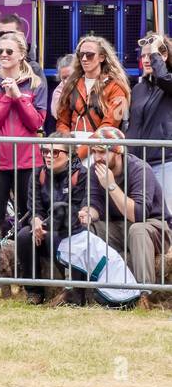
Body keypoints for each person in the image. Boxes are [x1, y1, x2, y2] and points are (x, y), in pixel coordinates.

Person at [78, 127, 170, 308]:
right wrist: (87, 214)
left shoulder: (140, 170)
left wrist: (111, 186)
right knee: (85, 228)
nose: (97, 157)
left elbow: (138, 215)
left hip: (153, 227)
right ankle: (82, 291)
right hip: (117, 227)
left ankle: (146, 295)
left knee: (137, 229)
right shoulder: (94, 171)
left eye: (102, 152)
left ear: (117, 151)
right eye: (94, 152)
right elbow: (94, 203)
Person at [0, 31, 47, 234]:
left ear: (21, 54)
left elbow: (36, 123)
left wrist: (18, 96)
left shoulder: (36, 84)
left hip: (28, 161)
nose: (3, 54)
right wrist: (8, 98)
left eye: (9, 51)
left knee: (27, 216)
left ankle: (24, 263)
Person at [15, 134, 87, 305]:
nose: (48, 155)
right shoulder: (38, 174)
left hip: (71, 227)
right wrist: (36, 221)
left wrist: (50, 227)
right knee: (25, 236)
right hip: (46, 224)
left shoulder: (82, 174)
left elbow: (76, 210)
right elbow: (35, 207)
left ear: (70, 154)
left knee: (56, 238)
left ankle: (72, 292)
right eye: (45, 151)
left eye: (54, 152)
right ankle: (34, 291)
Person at [124, 33, 172, 214]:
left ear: (163, 56)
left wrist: (156, 55)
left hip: (165, 161)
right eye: (143, 55)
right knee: (143, 216)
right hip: (139, 165)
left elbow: (164, 80)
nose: (146, 59)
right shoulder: (138, 88)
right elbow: (134, 126)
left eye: (150, 55)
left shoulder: (168, 82)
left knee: (167, 217)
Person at [54, 35, 130, 137]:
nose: (84, 59)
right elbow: (62, 122)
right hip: (72, 145)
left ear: (101, 57)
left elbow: (110, 125)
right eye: (81, 55)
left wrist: (82, 151)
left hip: (101, 149)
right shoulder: (71, 85)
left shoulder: (116, 87)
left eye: (90, 55)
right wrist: (66, 147)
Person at [0, 12, 45, 84]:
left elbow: (40, 94)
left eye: (10, 33)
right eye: (0, 34)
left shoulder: (33, 68)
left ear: (21, 36)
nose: (4, 37)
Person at [51, 53, 76, 121]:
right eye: (64, 78)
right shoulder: (58, 92)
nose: (67, 81)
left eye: (71, 76)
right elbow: (59, 115)